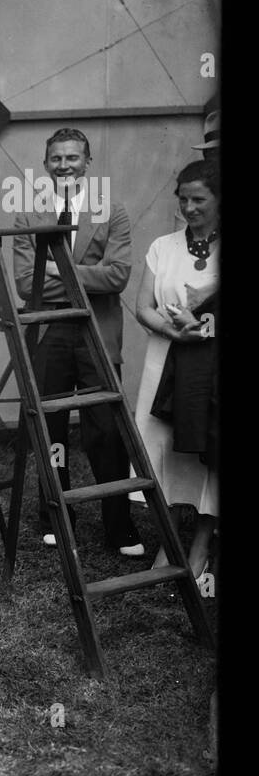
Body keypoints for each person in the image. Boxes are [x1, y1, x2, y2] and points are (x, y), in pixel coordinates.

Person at [12, 128, 143, 557]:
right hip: (50, 330)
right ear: (46, 163)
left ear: (88, 162)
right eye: (56, 158)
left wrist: (55, 270)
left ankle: (118, 525)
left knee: (105, 430)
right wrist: (82, 278)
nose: (64, 165)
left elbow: (117, 276)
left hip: (97, 334)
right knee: (51, 430)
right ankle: (55, 516)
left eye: (73, 158)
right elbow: (23, 286)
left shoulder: (114, 211)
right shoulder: (29, 214)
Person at [132, 159, 219, 582]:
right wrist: (173, 330)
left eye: (199, 199)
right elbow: (142, 306)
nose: (189, 207)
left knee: (210, 455)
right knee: (161, 450)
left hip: (212, 369)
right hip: (163, 361)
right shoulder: (162, 247)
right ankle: (168, 541)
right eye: (183, 199)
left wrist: (203, 327)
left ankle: (202, 544)